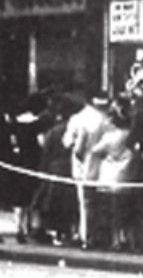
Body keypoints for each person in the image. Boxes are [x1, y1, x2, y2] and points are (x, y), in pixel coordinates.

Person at [63, 91, 112, 248]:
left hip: (82, 166)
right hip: (104, 167)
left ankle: (86, 235)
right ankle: (100, 236)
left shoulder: (77, 119)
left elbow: (67, 142)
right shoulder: (107, 121)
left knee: (85, 203)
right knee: (101, 204)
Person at [91, 99, 139, 252]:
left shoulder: (110, 137)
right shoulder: (129, 135)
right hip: (126, 175)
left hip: (109, 177)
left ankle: (116, 240)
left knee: (113, 212)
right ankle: (127, 237)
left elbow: (95, 150)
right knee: (125, 210)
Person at [35, 97, 78, 246]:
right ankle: (67, 231)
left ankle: (53, 232)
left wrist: (42, 171)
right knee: (69, 204)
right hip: (71, 169)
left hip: (55, 170)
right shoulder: (73, 130)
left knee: (52, 203)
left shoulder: (53, 132)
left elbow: (46, 153)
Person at [9, 94, 47, 243]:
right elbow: (41, 143)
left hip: (18, 162)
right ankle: (31, 226)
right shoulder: (37, 124)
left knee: (18, 196)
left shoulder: (15, 123)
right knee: (32, 196)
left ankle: (19, 227)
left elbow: (13, 143)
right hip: (33, 162)